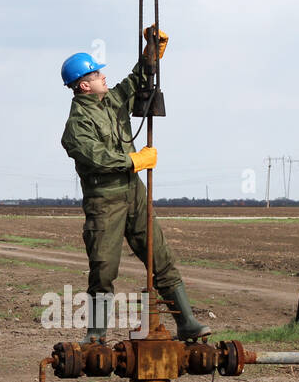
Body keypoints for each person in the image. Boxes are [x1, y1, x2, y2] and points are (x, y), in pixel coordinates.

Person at [59, 28, 211, 342]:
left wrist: (152, 51)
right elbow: (96, 157)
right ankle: (97, 334)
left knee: (160, 257)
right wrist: (134, 161)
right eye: (97, 74)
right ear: (84, 85)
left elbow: (137, 80)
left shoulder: (112, 100)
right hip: (105, 201)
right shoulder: (76, 125)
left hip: (134, 194)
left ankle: (186, 323)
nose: (104, 77)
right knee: (103, 269)